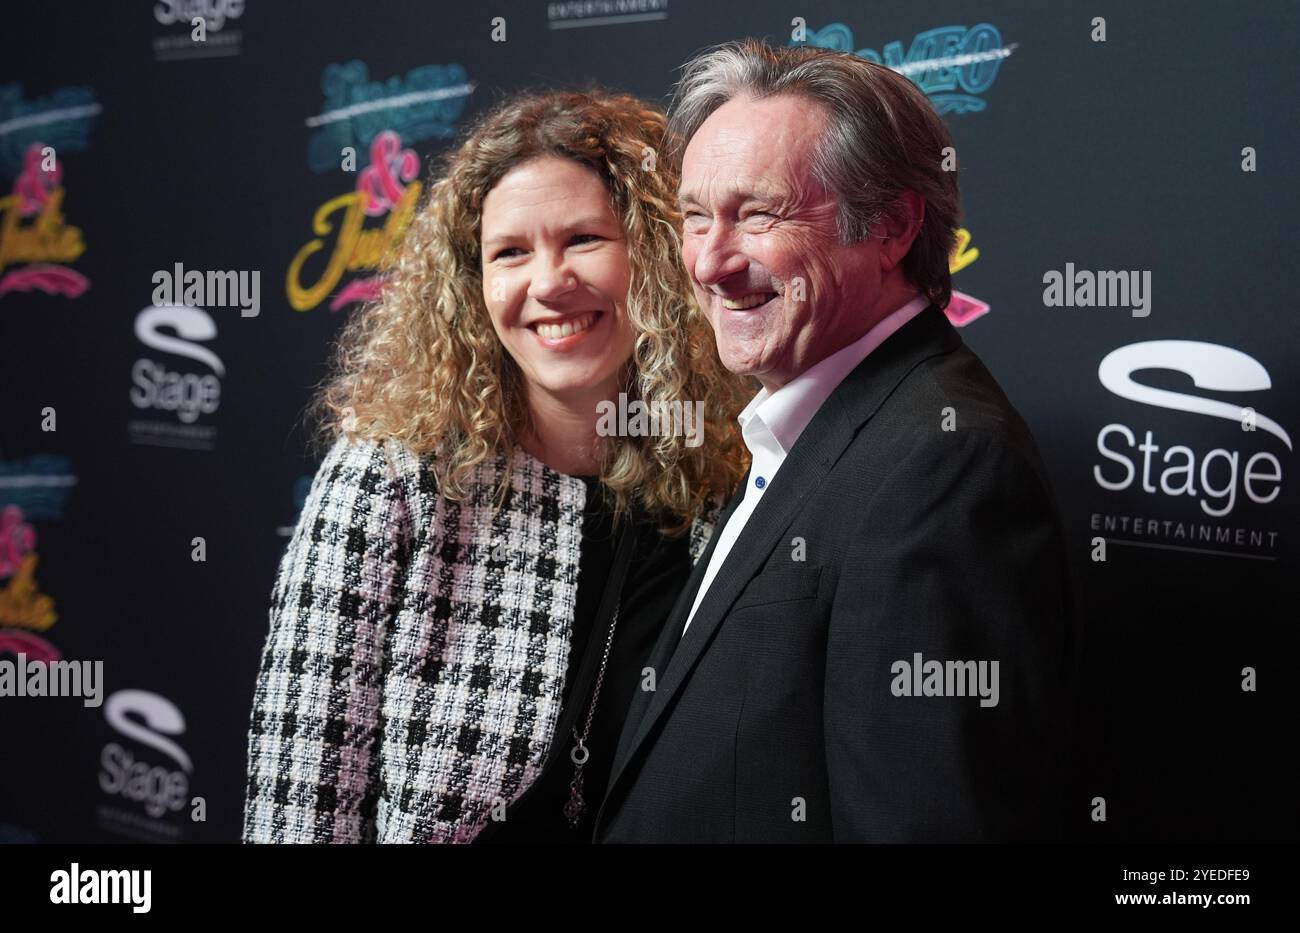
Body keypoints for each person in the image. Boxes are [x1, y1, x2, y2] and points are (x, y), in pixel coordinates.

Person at [595, 40, 1079, 843]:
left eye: (757, 213)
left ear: (891, 227)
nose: (710, 261)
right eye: (693, 216)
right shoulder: (802, 425)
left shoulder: (945, 466)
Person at [242, 89, 747, 843]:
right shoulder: (391, 479)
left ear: (654, 253)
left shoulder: (718, 481)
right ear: (472, 286)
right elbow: (300, 795)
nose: (548, 283)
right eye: (510, 252)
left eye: (583, 239)